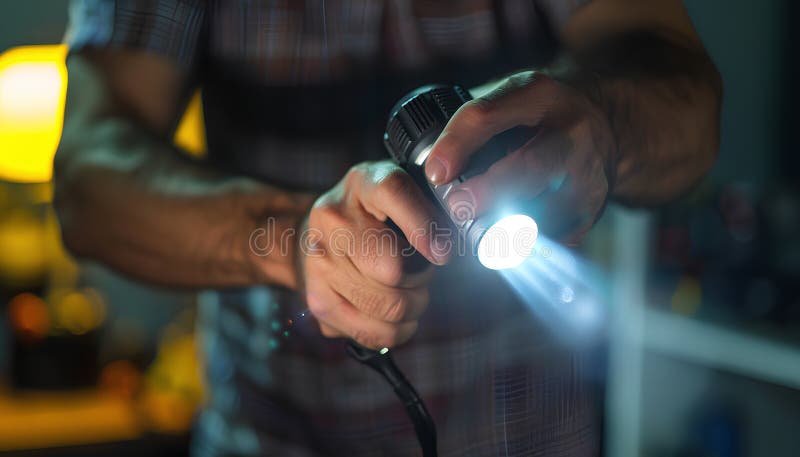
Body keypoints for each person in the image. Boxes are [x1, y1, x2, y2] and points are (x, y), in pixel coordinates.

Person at [54, 0, 721, 455]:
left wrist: (601, 123)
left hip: (532, 432)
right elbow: (87, 181)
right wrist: (296, 240)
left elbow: (688, 101)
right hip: (271, 431)